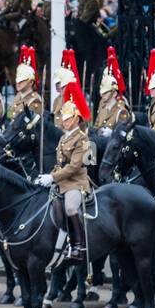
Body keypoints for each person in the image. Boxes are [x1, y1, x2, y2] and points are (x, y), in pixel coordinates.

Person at [37, 86, 92, 260]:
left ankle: (78, 245)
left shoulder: (82, 139)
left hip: (76, 182)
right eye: (63, 119)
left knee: (70, 207)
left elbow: (74, 167)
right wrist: (47, 177)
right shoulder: (63, 138)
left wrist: (53, 177)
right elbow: (60, 164)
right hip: (62, 181)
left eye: (67, 119)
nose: (63, 122)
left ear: (76, 119)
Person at [95, 68, 132, 133]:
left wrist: (112, 133)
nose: (102, 95)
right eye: (102, 92)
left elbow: (122, 134)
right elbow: (96, 125)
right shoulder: (102, 106)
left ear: (114, 94)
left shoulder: (122, 112)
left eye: (105, 93)